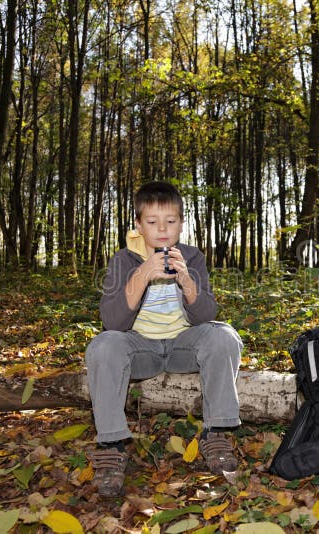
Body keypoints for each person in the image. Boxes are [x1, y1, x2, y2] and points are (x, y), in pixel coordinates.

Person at [85, 180, 243, 497]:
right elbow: (113, 322)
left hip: (183, 345)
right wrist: (143, 273)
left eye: (170, 221)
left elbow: (204, 315)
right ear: (139, 225)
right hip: (140, 348)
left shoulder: (192, 256)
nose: (162, 229)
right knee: (102, 346)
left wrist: (186, 279)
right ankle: (112, 446)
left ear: (181, 224)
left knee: (224, 335)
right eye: (152, 222)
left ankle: (216, 433)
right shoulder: (123, 260)